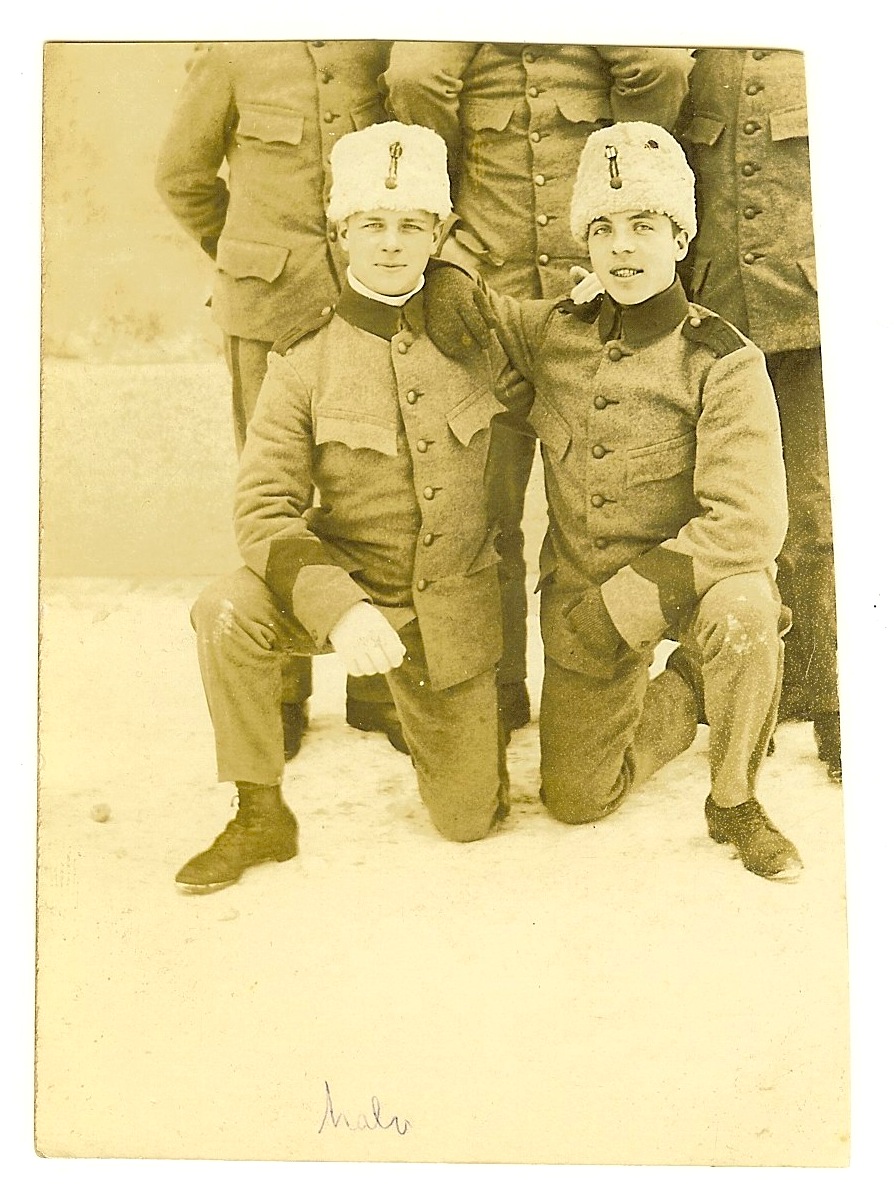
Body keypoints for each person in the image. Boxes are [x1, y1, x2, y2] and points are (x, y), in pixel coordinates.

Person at [429, 122, 802, 881]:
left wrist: (626, 607)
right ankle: (686, 691)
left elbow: (749, 522)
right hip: (581, 596)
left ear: (680, 237)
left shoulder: (723, 360)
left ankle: (734, 798)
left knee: (744, 612)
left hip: (687, 587)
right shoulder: (553, 332)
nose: (624, 248)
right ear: (585, 244)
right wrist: (446, 273)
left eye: (644, 226)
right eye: (603, 229)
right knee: (578, 798)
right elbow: (483, 308)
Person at [176, 122, 520, 893]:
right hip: (346, 588)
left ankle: (430, 724)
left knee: (468, 819)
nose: (391, 244)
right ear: (342, 230)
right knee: (225, 607)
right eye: (372, 224)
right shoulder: (302, 358)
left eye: (409, 225)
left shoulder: (484, 333)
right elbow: (264, 507)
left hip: (447, 611)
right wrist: (338, 608)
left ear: (438, 231)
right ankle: (259, 810)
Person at [385, 43, 694, 737]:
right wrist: (447, 258)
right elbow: (417, 93)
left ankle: (618, 675)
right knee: (484, 510)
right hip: (485, 302)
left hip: (595, 298)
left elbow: (659, 69)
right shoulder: (450, 59)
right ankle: (497, 687)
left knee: (607, 504)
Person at [155, 39, 406, 757]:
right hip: (266, 312)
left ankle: (375, 685)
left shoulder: (373, 43)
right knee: (278, 498)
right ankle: (281, 691)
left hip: (363, 311)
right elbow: (181, 175)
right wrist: (241, 250)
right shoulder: (234, 51)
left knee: (369, 490)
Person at [676, 48, 840, 781]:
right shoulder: (695, 52)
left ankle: (834, 696)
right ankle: (754, 700)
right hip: (720, 319)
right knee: (730, 511)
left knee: (813, 512)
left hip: (811, 312)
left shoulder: (831, 47)